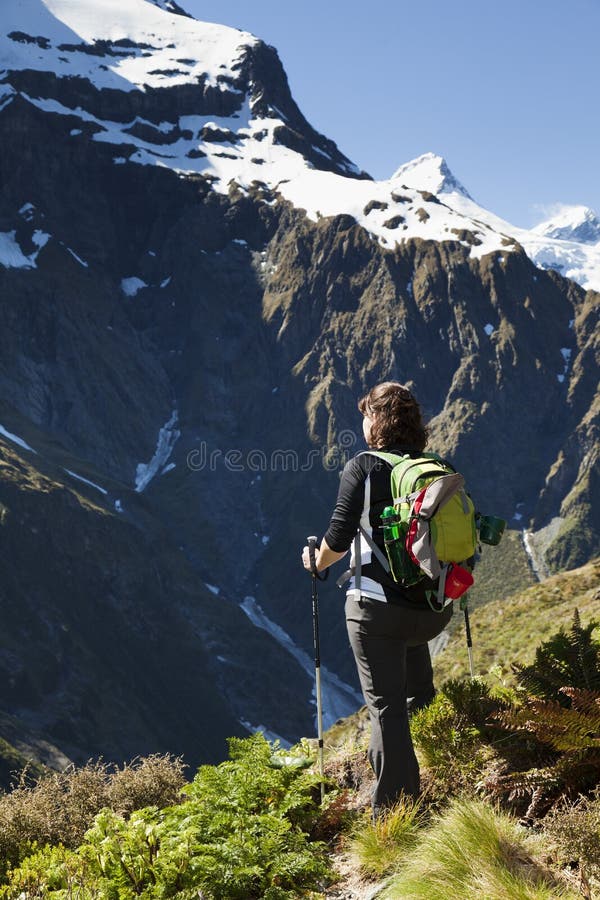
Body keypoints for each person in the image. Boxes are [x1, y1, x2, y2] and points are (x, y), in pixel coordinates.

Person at [302, 381, 452, 819]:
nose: (363, 423)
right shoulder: (437, 466)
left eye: (367, 415)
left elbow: (337, 539)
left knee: (386, 706)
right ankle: (440, 759)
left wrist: (314, 561)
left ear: (378, 422)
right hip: (430, 611)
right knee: (417, 692)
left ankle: (395, 815)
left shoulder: (364, 467)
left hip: (377, 612)